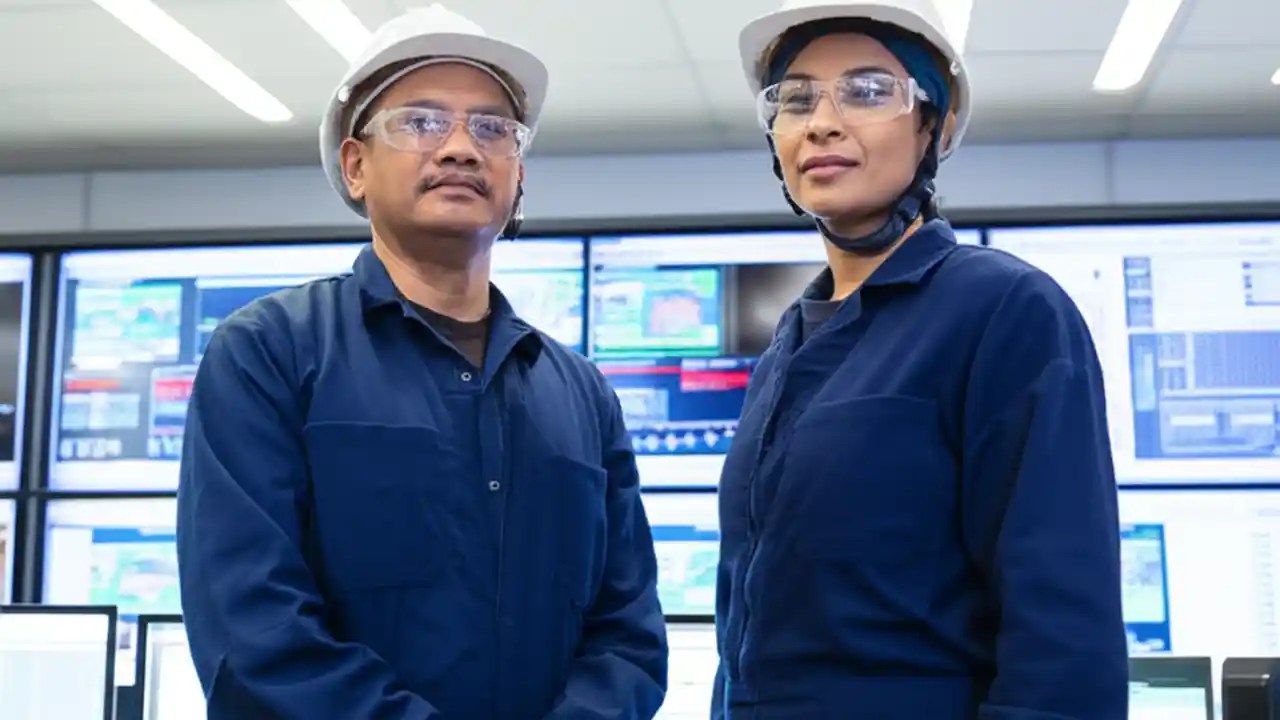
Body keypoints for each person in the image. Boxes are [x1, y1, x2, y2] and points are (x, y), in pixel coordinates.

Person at [175, 5, 667, 719]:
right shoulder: (270, 353)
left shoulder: (580, 393)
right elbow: (254, 634)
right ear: (355, 166)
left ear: (518, 175)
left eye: (492, 129)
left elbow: (628, 633)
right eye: (421, 122)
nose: (461, 148)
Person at [711, 1, 1129, 718]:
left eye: (870, 90)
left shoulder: (1004, 309)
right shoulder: (788, 345)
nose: (823, 121)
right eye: (797, 97)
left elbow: (1063, 634)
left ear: (931, 126)